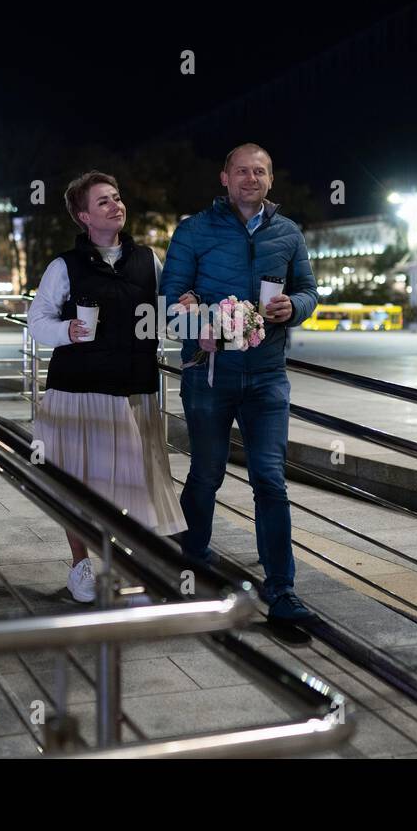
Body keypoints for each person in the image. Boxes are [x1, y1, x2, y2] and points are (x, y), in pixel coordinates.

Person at [160, 143, 319, 622]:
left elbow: (309, 290)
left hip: (268, 376)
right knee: (206, 475)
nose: (252, 178)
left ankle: (282, 588)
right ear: (224, 179)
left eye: (261, 171)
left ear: (270, 180)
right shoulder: (193, 230)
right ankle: (192, 567)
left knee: (270, 480)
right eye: (242, 171)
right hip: (209, 375)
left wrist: (296, 307)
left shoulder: (288, 233)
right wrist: (197, 324)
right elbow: (169, 304)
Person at [28, 171, 188, 603]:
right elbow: (37, 321)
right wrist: (69, 332)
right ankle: (80, 565)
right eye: (103, 201)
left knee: (133, 483)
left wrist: (191, 313)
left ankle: (127, 565)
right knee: (77, 480)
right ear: (83, 216)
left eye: (117, 198)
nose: (115, 205)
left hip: (135, 388)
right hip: (78, 389)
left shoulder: (148, 261)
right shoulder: (65, 265)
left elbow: (162, 317)